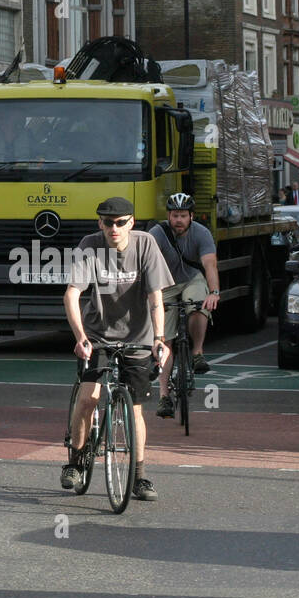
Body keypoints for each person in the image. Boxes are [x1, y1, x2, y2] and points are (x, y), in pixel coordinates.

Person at [61, 196, 173, 501]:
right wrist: (80, 337)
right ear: (100, 223)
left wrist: (159, 340)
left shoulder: (146, 244)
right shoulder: (89, 245)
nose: (114, 228)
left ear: (131, 223)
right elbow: (72, 295)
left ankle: (139, 477)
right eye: (108, 222)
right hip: (98, 334)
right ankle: (74, 462)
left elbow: (156, 299)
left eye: (121, 222)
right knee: (89, 398)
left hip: (139, 335)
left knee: (135, 408)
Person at [150, 193, 221, 419]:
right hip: (165, 285)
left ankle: (197, 352)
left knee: (198, 305)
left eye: (182, 215)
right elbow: (147, 265)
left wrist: (214, 292)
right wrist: (149, 296)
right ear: (168, 216)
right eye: (174, 215)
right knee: (165, 339)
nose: (178, 220)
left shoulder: (202, 233)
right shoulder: (157, 234)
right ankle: (163, 397)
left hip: (192, 279)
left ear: (191, 216)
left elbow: (209, 265)